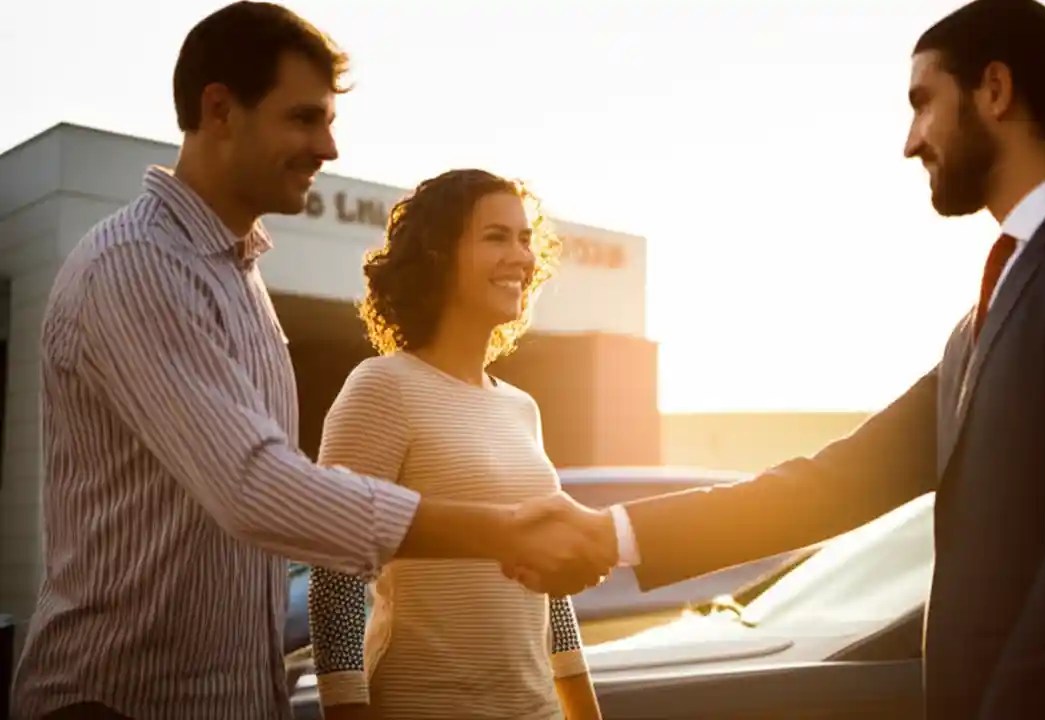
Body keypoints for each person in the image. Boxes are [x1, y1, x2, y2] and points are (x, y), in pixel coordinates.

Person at [511, 1, 1045, 719]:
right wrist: (614, 534)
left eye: (923, 102)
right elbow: (835, 484)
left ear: (994, 91)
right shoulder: (982, 320)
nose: (911, 142)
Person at [11, 4, 611, 719]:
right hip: (121, 704)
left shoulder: (237, 276)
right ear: (220, 109)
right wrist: (505, 532)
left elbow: (547, 601)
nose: (328, 148)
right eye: (304, 118)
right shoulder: (139, 265)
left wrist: (576, 700)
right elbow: (259, 490)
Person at [308, 169, 602, 720]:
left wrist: (584, 712)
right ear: (439, 254)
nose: (521, 256)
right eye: (496, 237)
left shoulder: (522, 407)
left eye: (524, 238)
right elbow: (335, 577)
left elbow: (551, 593)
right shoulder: (382, 387)